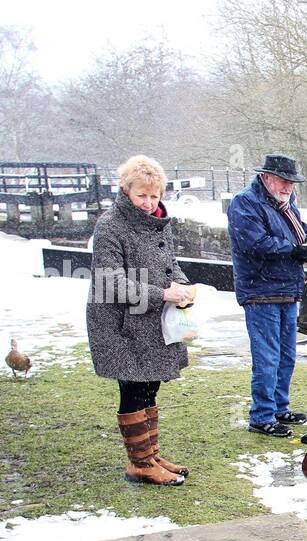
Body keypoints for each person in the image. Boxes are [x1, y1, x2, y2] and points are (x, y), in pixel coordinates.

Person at [86, 155, 195, 486]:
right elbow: (109, 282)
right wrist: (164, 294)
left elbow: (168, 263)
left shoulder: (158, 221)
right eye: (141, 196)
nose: (149, 204)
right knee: (134, 386)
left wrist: (182, 285)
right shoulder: (110, 226)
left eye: (154, 196)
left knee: (151, 384)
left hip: (151, 322)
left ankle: (150, 454)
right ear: (125, 190)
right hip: (121, 326)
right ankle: (139, 463)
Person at [226, 153, 307, 437]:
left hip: (286, 287)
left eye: (292, 183)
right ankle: (262, 415)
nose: (288, 187)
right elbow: (254, 243)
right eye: (284, 181)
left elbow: (297, 232)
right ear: (266, 177)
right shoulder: (245, 203)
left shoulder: (284, 202)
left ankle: (279, 408)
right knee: (267, 356)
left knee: (285, 355)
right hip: (260, 290)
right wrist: (295, 249)